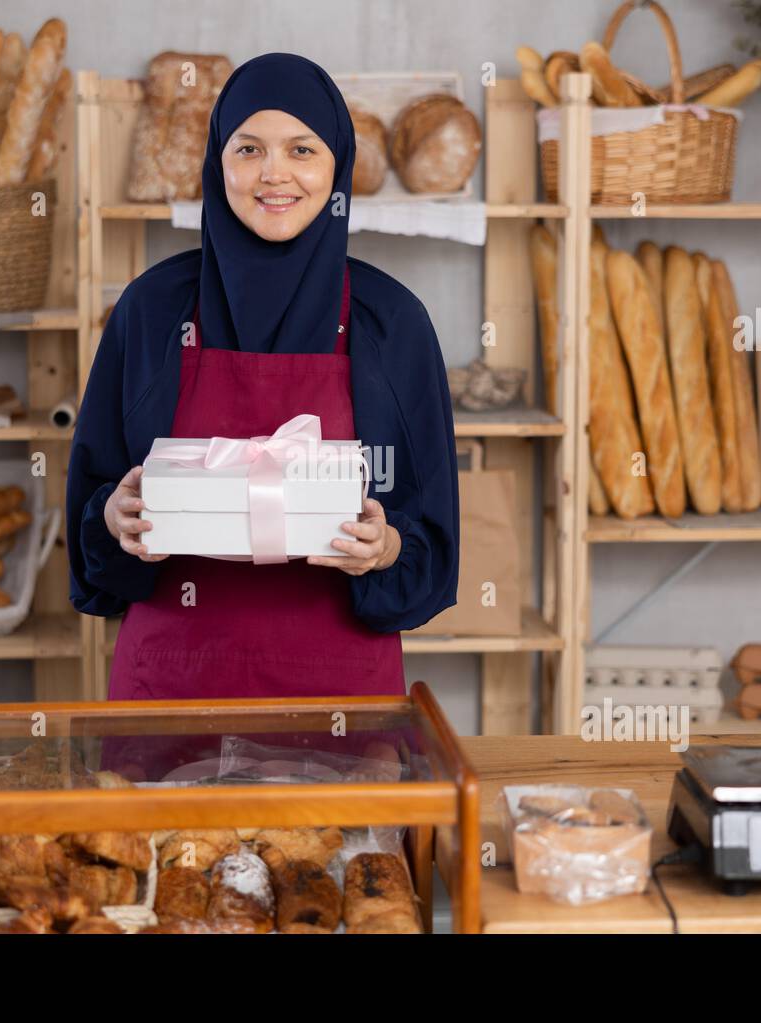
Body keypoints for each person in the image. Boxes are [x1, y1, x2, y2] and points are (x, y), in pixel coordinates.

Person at [67, 52, 458, 702]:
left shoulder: (392, 324)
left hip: (340, 708)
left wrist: (385, 547)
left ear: (337, 165)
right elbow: (92, 535)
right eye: (249, 149)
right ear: (218, 161)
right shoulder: (152, 310)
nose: (274, 174)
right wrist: (113, 518)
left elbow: (433, 550)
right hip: (170, 700)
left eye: (301, 149)